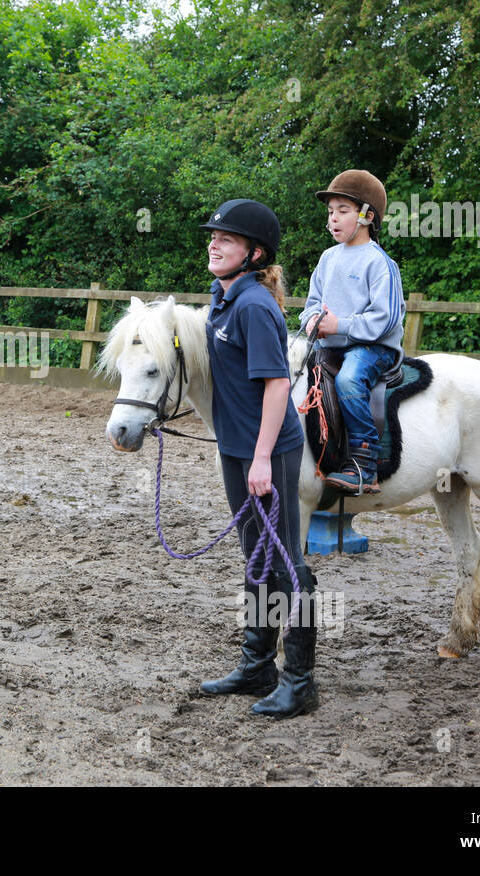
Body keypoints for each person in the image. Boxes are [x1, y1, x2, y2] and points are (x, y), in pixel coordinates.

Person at [195, 199, 319, 719]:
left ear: (255, 252)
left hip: (267, 451)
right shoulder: (221, 299)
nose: (214, 243)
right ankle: (257, 664)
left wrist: (263, 457)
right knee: (257, 560)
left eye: (226, 238)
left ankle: (301, 681)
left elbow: (275, 385)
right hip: (235, 448)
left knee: (289, 565)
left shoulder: (253, 305)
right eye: (213, 236)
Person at [297, 170, 405, 494]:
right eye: (330, 212)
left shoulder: (379, 263)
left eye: (343, 210)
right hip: (333, 344)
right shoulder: (327, 259)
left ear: (367, 216)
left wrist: (340, 325)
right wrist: (312, 321)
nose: (333, 219)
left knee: (348, 379)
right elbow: (311, 304)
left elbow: (384, 319)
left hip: (374, 347)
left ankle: (363, 463)